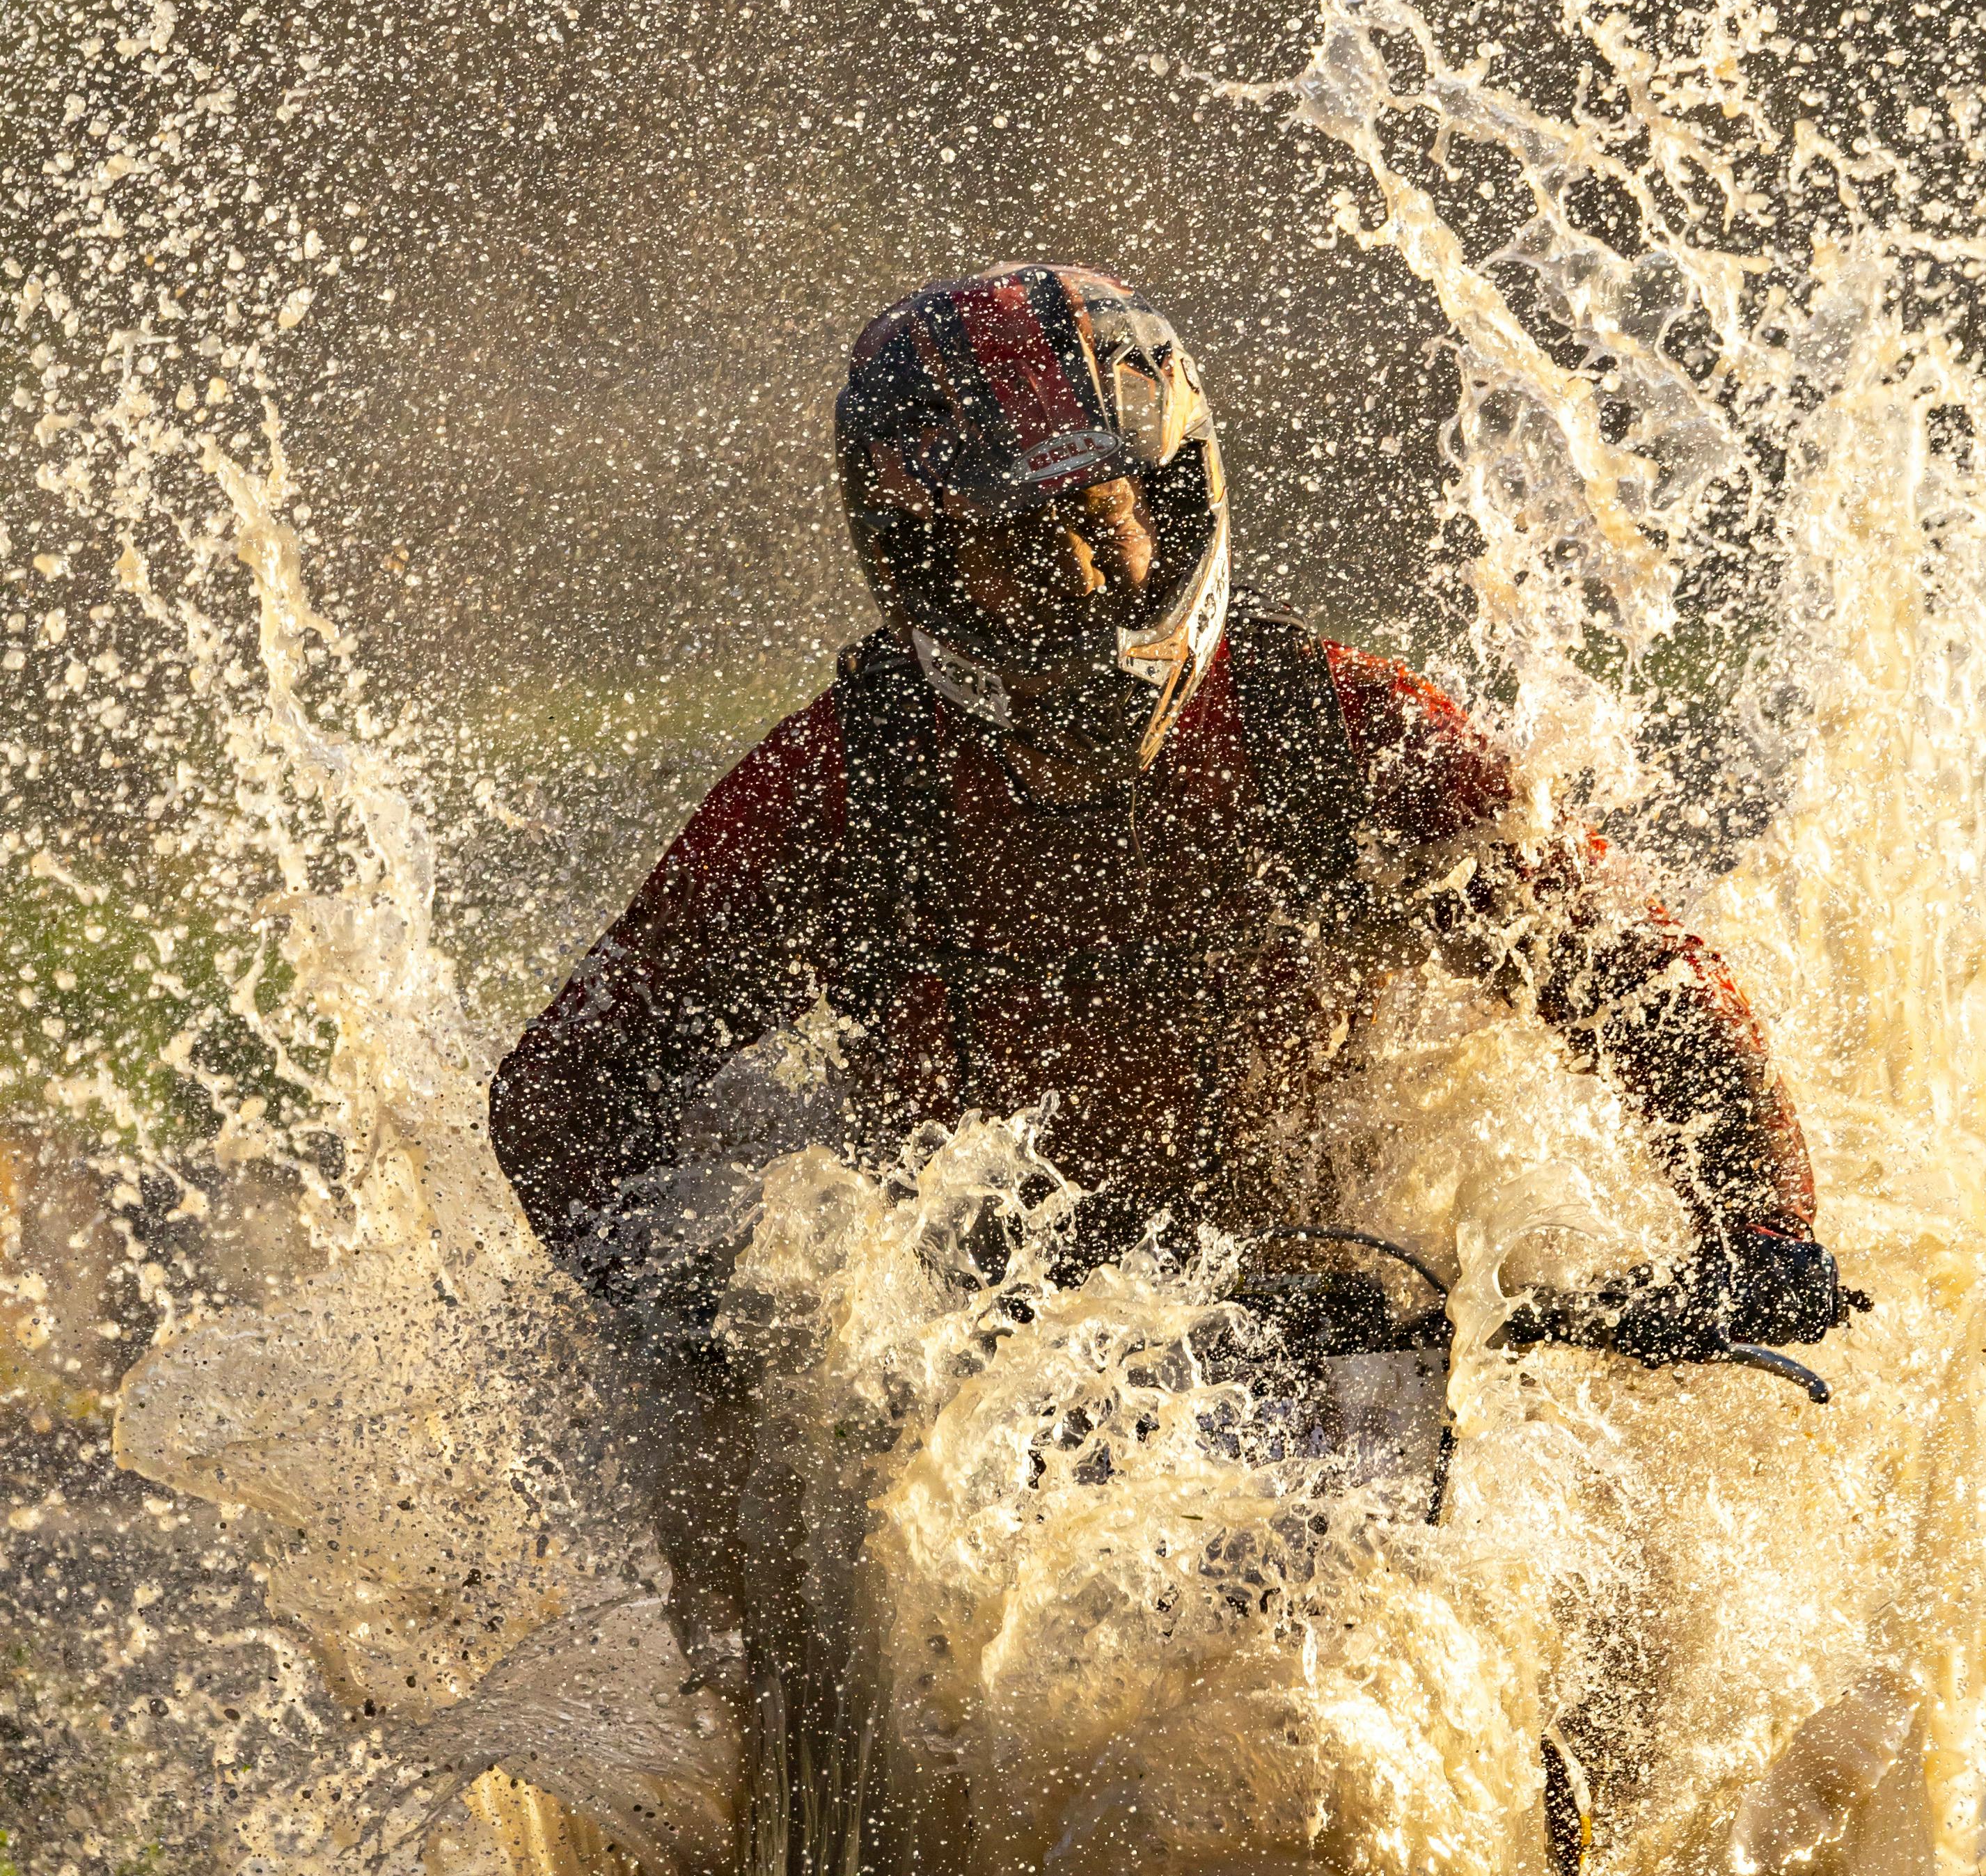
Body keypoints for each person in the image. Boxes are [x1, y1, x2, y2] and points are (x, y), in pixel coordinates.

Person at [488, 263, 1845, 1379]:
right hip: (974, 1366)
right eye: (1008, 546)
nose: (1073, 579)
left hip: (1343, 1322)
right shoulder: (846, 793)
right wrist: (715, 1330)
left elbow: (1637, 982)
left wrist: (1761, 1232)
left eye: (1099, 518)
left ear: (1175, 499)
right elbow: (563, 1096)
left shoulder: (1331, 740)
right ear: (917, 571)